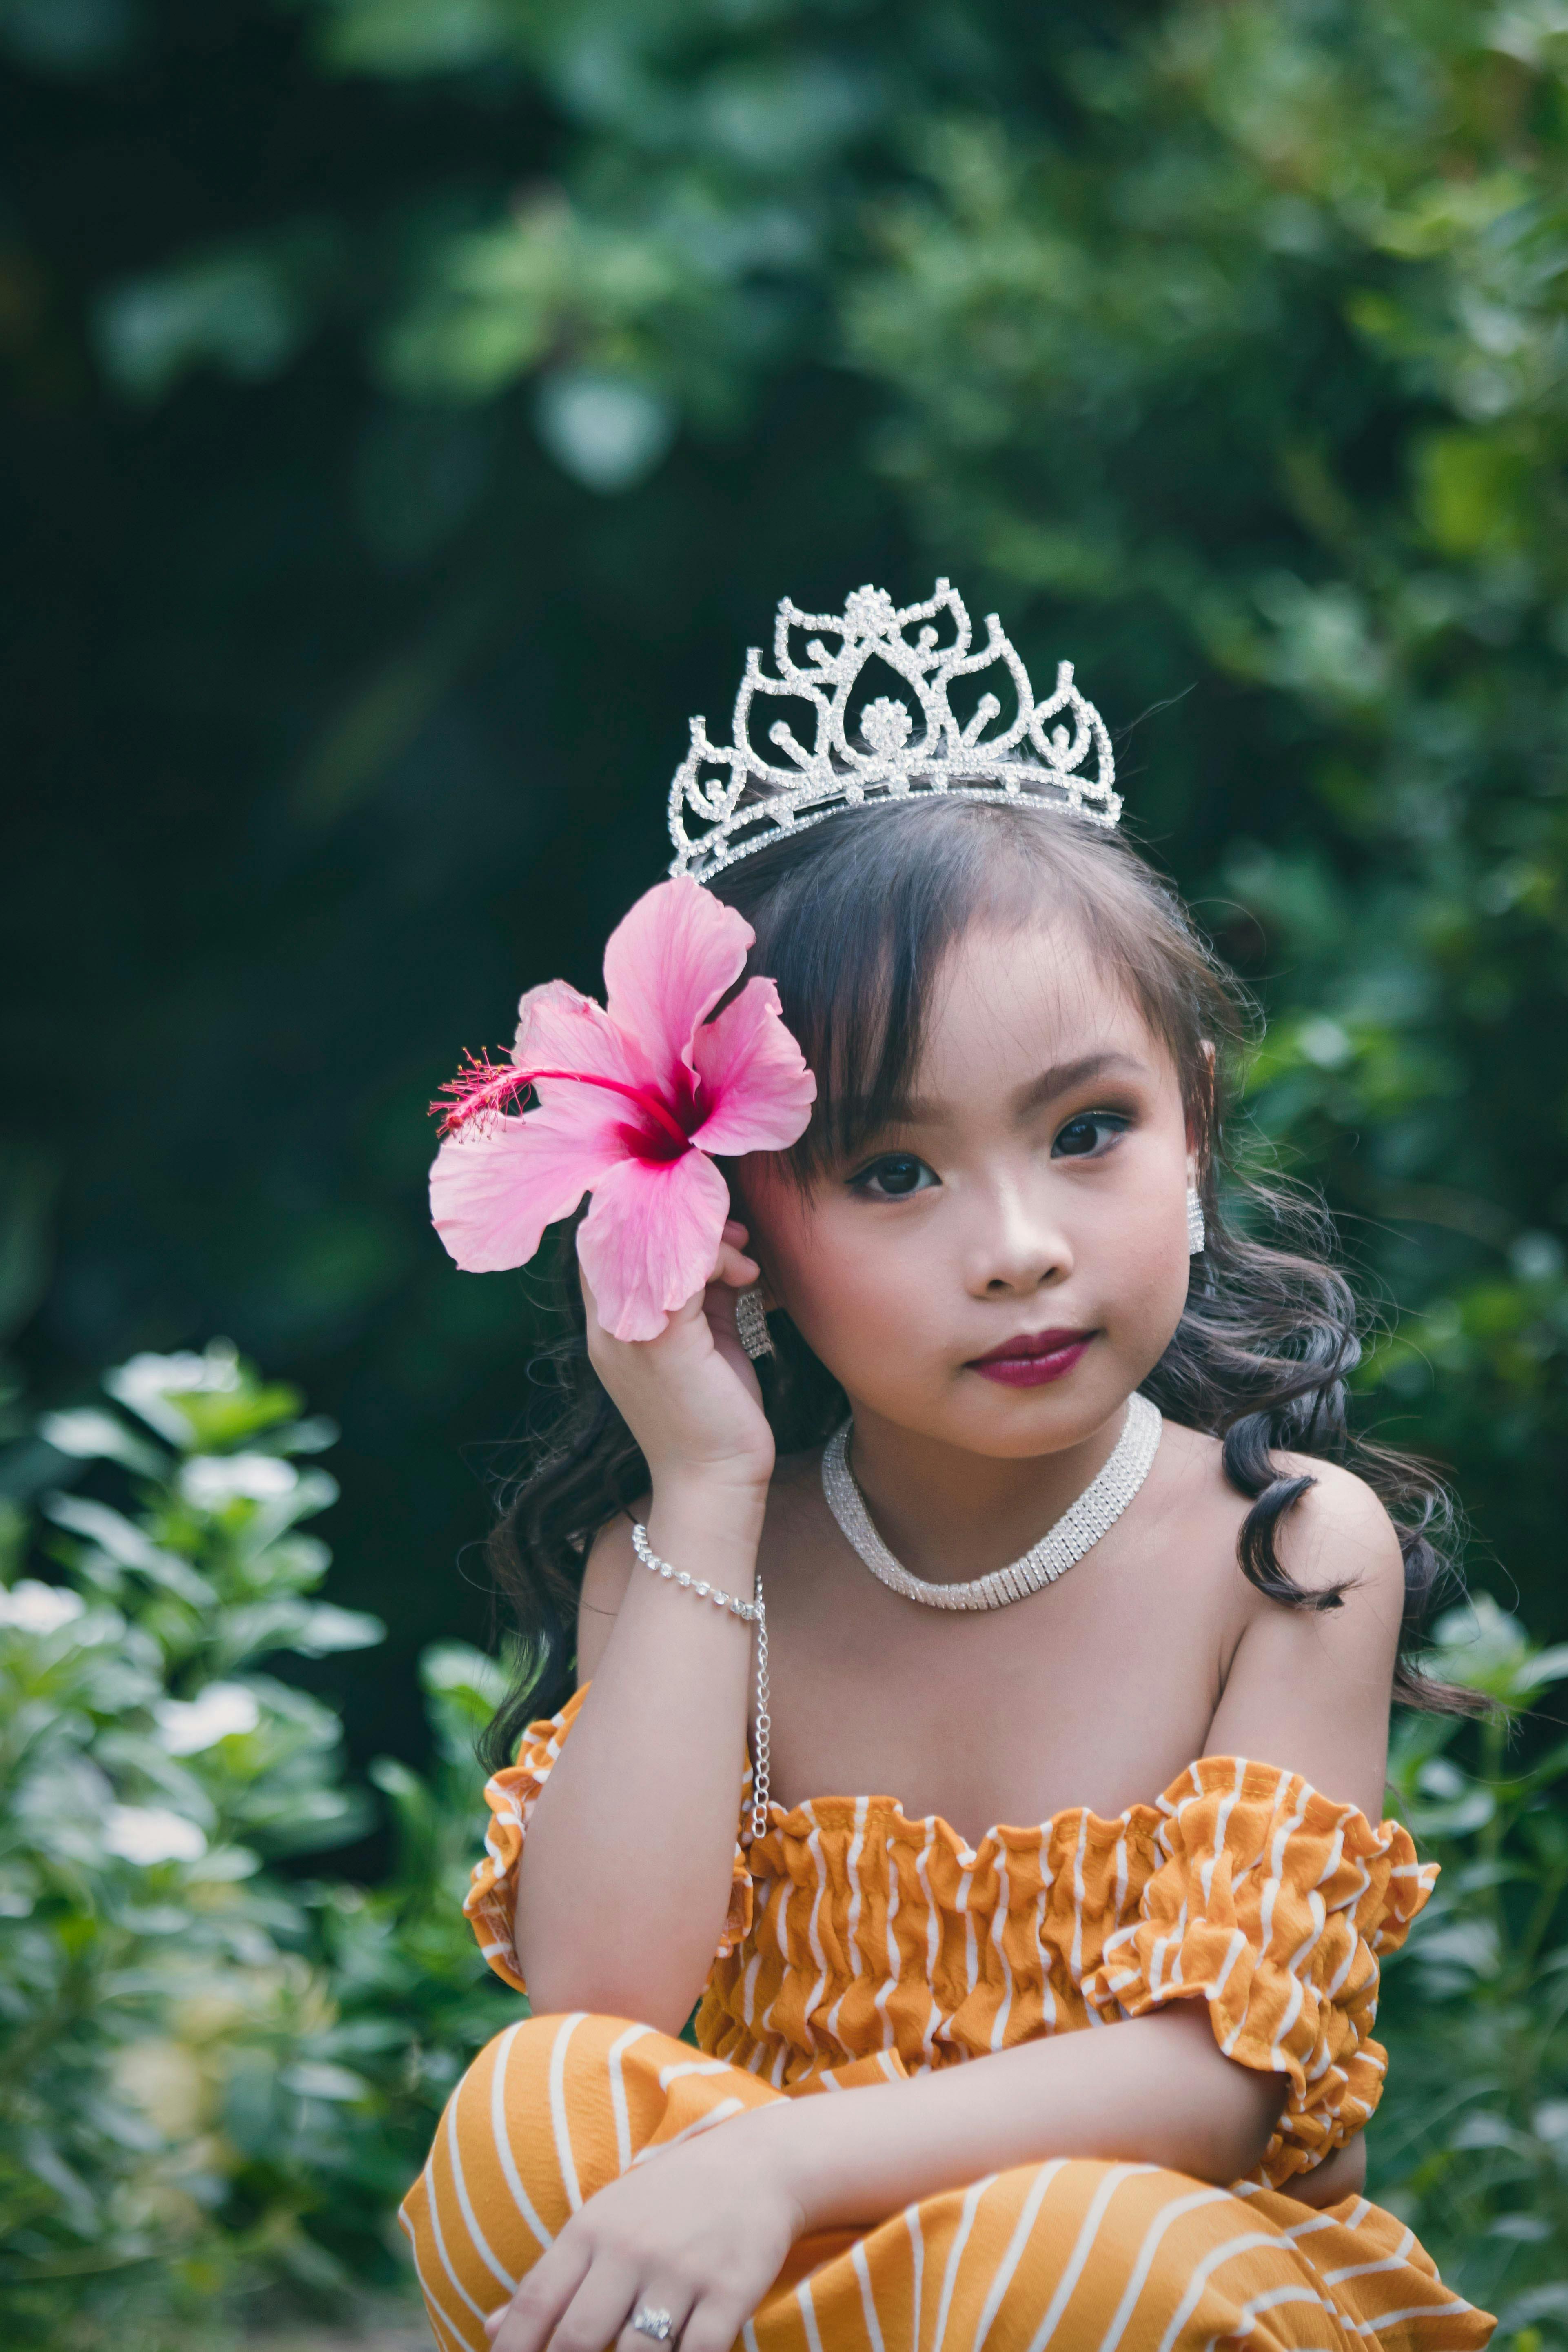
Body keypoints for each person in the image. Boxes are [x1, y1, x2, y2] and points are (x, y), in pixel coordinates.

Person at [403, 583, 1493, 2351]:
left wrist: (776, 2166)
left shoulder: (1285, 1551)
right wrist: (699, 1485)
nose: (1015, 1247)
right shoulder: (692, 1568)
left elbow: (1217, 2090)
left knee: (1094, 2251)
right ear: (743, 1224)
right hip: (779, 2289)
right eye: (892, 1173)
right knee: (523, 2125)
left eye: (1087, 1134)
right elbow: (600, 2004)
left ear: (1195, 1126)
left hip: (1143, 2285)